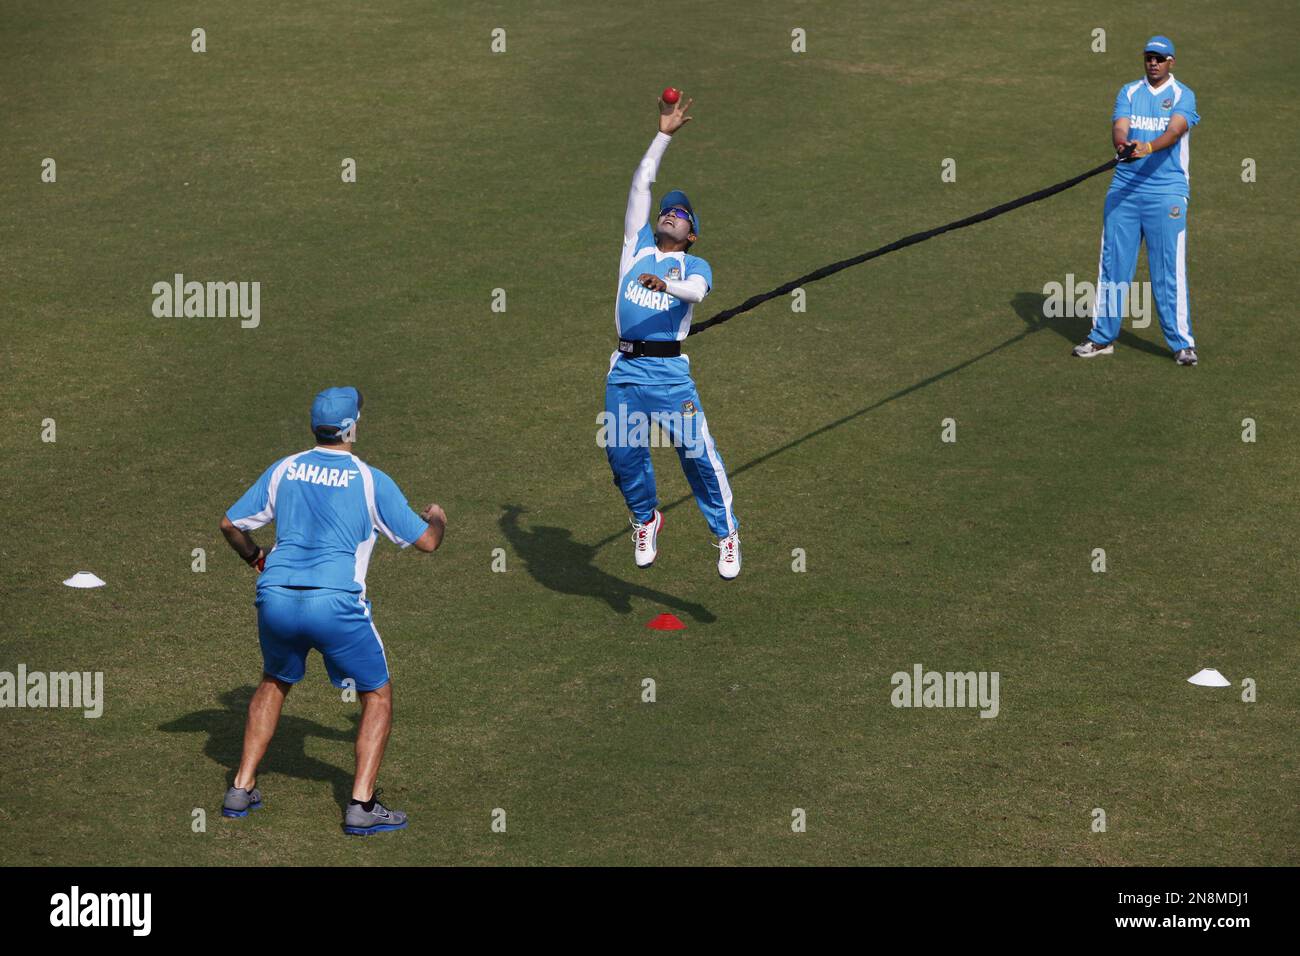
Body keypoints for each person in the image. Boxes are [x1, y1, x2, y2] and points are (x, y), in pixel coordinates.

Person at [218, 386, 446, 835]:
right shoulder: (369, 479)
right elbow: (427, 542)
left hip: (277, 596)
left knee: (275, 680)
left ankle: (241, 788)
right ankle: (361, 806)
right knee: (376, 695)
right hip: (336, 604)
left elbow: (230, 524)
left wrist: (255, 559)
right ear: (351, 428)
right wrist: (437, 515)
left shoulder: (284, 468)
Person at [605, 91, 741, 579]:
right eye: (667, 211)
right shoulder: (635, 244)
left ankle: (725, 534)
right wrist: (663, 134)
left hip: (668, 375)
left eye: (680, 214)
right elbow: (642, 184)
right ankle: (646, 519)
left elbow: (698, 293)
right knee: (622, 454)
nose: (670, 213)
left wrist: (666, 284)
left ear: (693, 232)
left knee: (697, 455)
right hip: (624, 371)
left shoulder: (694, 264)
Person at [1073, 34, 1200, 365]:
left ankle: (1181, 343)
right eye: (1149, 57)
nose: (1153, 62)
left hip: (1166, 193)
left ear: (1172, 61)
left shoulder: (1183, 95)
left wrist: (1146, 147)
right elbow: (1120, 127)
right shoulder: (1129, 91)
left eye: (1159, 58)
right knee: (1113, 265)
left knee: (1167, 269)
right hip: (1124, 192)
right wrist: (1122, 145)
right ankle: (1102, 338)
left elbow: (1174, 132)